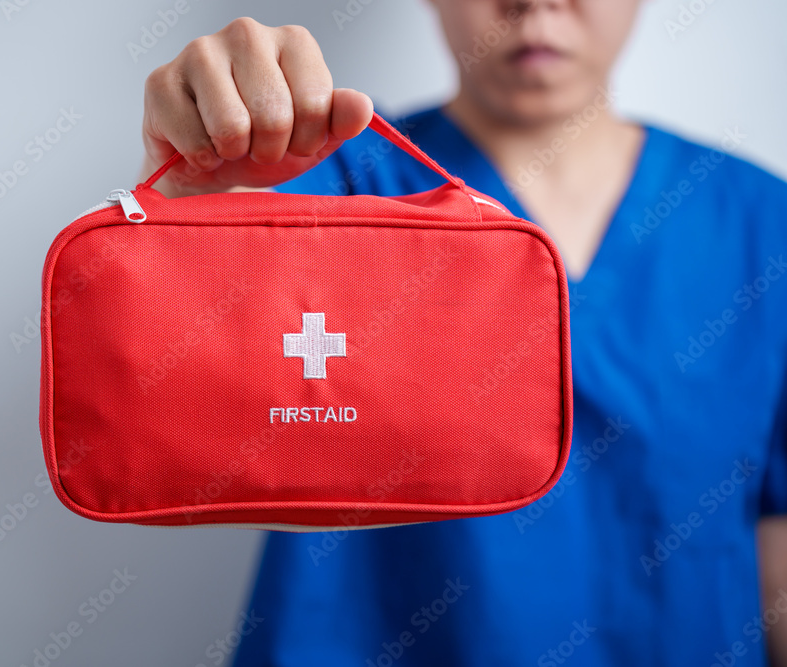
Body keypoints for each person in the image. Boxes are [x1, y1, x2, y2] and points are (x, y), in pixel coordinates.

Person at [138, 1, 787, 664]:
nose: (535, 3)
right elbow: (195, 386)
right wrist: (195, 194)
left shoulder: (764, 226)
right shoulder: (326, 180)